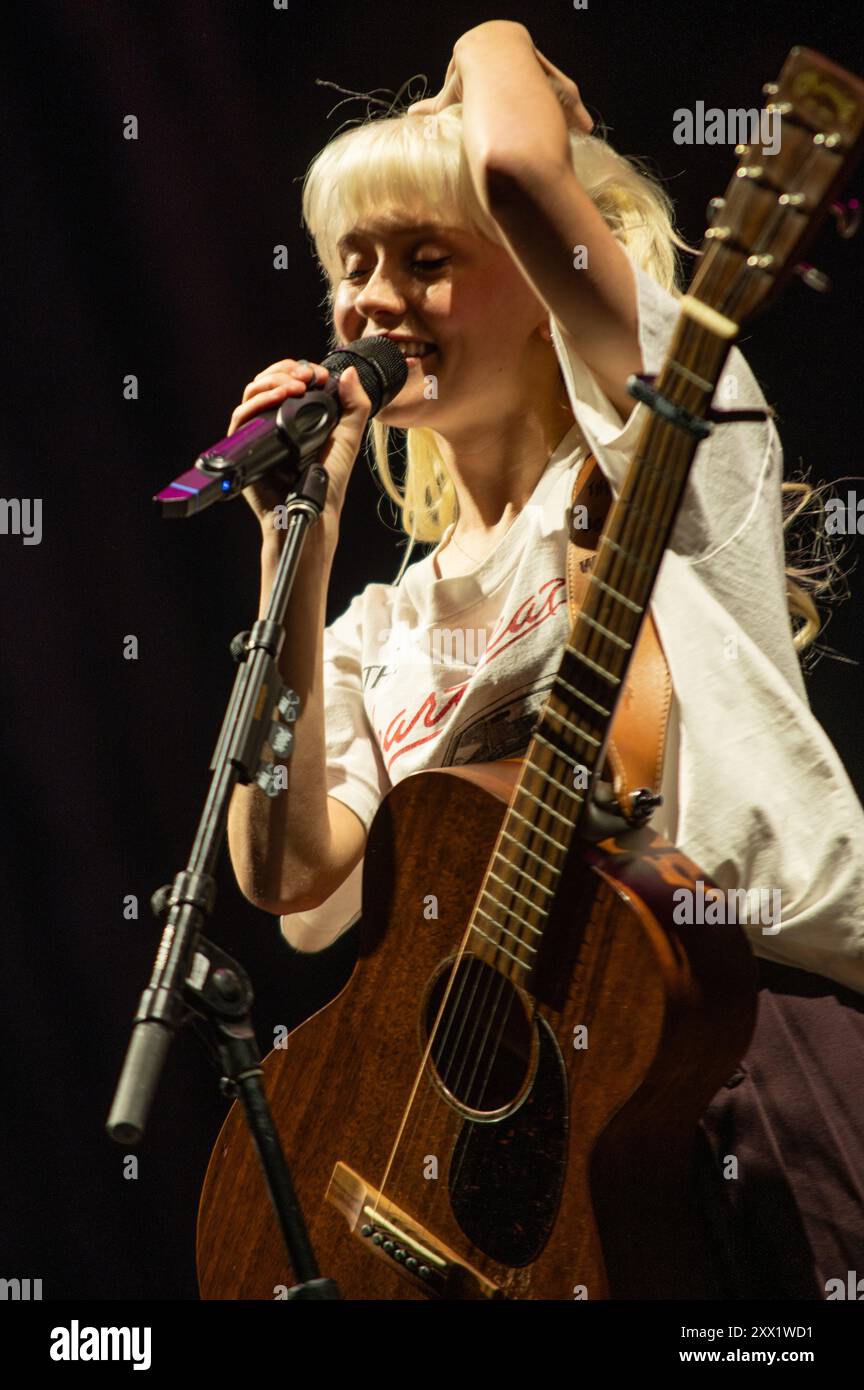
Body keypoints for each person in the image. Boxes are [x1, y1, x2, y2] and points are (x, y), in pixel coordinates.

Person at [225, 20, 864, 1299]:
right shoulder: (379, 632)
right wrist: (296, 548)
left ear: (542, 285)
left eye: (427, 259)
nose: (372, 299)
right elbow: (284, 871)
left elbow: (517, 168)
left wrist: (499, 46)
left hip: (744, 1056)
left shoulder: (670, 440)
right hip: (529, 1141)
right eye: (352, 264)